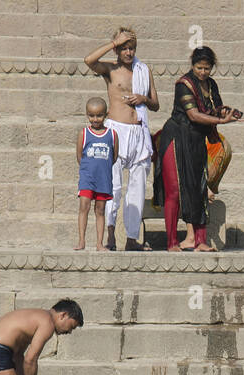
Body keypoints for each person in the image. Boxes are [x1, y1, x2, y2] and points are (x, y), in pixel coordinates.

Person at [152, 46, 242, 252]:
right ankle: (172, 242)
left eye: (207, 68)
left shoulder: (211, 84)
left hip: (196, 140)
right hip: (176, 138)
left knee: (199, 190)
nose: (203, 72)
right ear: (193, 66)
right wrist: (222, 120)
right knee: (174, 191)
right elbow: (193, 115)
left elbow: (215, 108)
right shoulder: (183, 84)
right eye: (199, 68)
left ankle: (200, 241)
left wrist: (230, 112)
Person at [84, 27, 158, 251]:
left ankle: (132, 238)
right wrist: (113, 44)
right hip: (116, 131)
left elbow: (155, 104)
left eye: (131, 47)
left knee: (137, 187)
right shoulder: (111, 69)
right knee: (113, 186)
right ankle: (110, 234)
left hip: (139, 131)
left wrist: (142, 97)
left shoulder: (144, 70)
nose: (128, 52)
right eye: (124, 48)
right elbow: (89, 60)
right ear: (117, 49)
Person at [75, 96, 118, 251]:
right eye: (92, 115)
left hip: (103, 180)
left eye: (99, 115)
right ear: (87, 115)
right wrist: (89, 169)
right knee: (84, 207)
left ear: (105, 115)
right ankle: (81, 241)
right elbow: (80, 156)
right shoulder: (84, 133)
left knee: (100, 210)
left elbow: (114, 156)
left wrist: (102, 168)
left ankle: (99, 243)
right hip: (88, 179)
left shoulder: (112, 135)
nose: (95, 119)